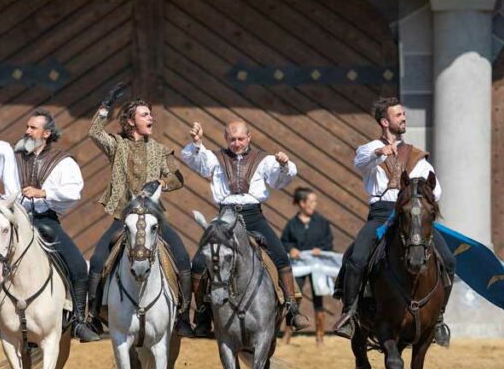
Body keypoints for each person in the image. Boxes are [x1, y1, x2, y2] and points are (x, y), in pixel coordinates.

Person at [0, 109, 100, 343]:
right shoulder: (9, 154)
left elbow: (73, 190)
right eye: (27, 126)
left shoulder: (62, 161)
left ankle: (78, 320)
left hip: (45, 221)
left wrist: (44, 192)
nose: (26, 131)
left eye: (32, 128)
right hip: (13, 220)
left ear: (46, 134)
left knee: (77, 266)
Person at [332, 97, 455, 346]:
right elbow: (360, 162)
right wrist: (380, 152)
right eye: (398, 115)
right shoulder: (369, 149)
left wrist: (419, 198)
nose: (404, 118)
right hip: (380, 214)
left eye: (403, 114)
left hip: (411, 215)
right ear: (385, 121)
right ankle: (350, 314)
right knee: (356, 260)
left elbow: (437, 191)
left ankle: (438, 319)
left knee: (449, 261)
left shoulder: (417, 156)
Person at [181, 119, 309, 336]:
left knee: (280, 255)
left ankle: (291, 308)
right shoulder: (216, 158)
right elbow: (196, 161)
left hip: (253, 216)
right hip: (225, 216)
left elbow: (280, 181)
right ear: (226, 139)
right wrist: (197, 142)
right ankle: (202, 314)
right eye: (232, 139)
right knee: (200, 261)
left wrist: (284, 165)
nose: (237, 143)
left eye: (241, 139)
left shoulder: (265, 160)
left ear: (249, 137)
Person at [85, 83, 193, 336]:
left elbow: (179, 179)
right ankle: (92, 318)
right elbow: (93, 133)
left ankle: (184, 317)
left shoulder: (160, 150)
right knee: (99, 260)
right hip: (123, 218)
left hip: (154, 218)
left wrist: (162, 182)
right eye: (145, 114)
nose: (151, 117)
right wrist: (105, 106)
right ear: (131, 122)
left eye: (150, 113)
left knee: (183, 259)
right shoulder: (117, 146)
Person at [281, 186, 334, 345]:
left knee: (319, 297)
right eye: (311, 201)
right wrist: (291, 249)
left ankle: (320, 335)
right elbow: (284, 241)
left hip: (317, 264)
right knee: (294, 298)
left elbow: (328, 241)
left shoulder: (322, 222)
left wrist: (321, 249)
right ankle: (288, 333)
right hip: (299, 266)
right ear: (302, 203)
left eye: (315, 201)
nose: (314, 204)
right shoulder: (292, 224)